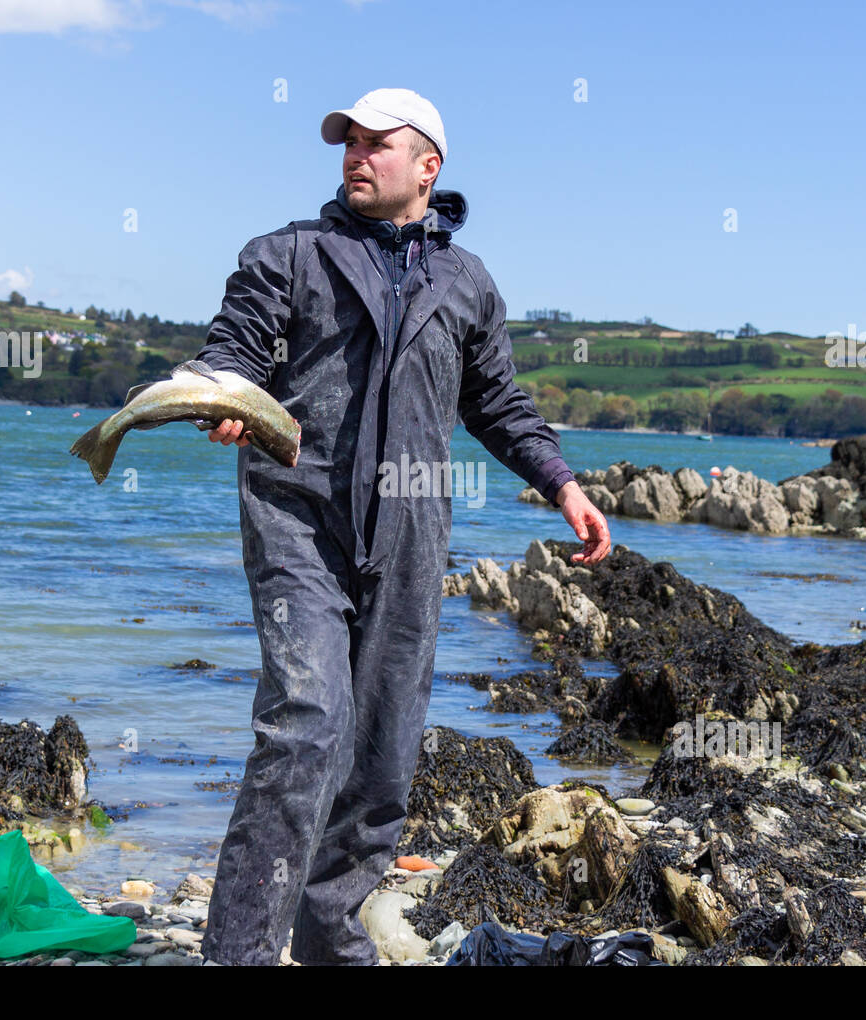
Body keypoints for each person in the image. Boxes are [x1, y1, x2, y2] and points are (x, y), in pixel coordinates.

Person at [198, 88, 611, 966]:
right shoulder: (289, 253)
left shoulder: (468, 284)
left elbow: (498, 401)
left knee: (383, 753)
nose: (354, 154)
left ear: (428, 165)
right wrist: (221, 390)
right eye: (346, 142)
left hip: (413, 535)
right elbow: (237, 341)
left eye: (376, 143)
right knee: (307, 720)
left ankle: (327, 934)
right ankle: (236, 952)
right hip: (297, 516)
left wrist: (562, 484)